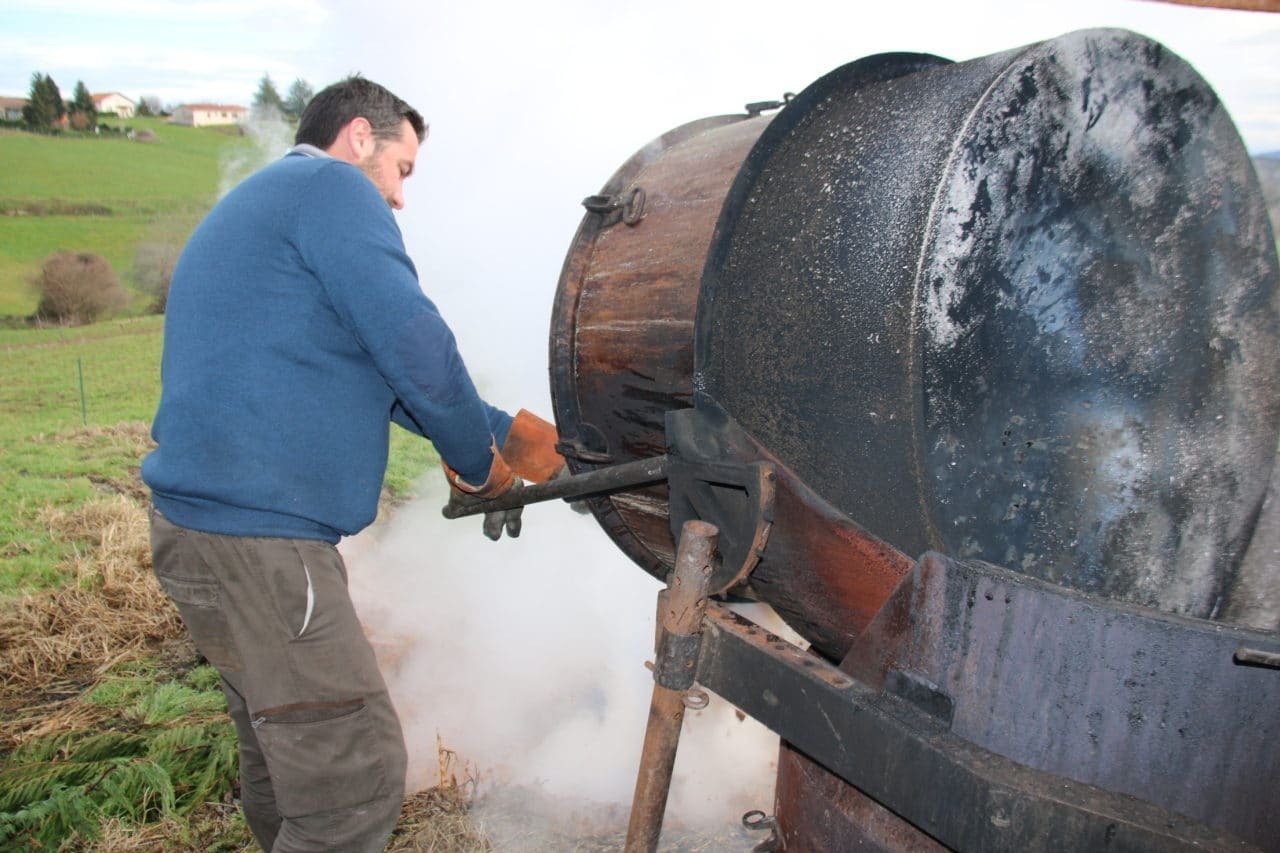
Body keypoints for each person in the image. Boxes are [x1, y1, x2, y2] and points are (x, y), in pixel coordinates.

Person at [141, 76, 564, 852]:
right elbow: (415, 344)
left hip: (195, 534)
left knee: (285, 754)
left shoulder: (271, 203)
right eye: (404, 169)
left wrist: (504, 438)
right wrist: (479, 467)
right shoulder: (332, 189)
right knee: (355, 779)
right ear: (359, 139)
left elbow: (382, 377)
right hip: (263, 548)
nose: (401, 197)